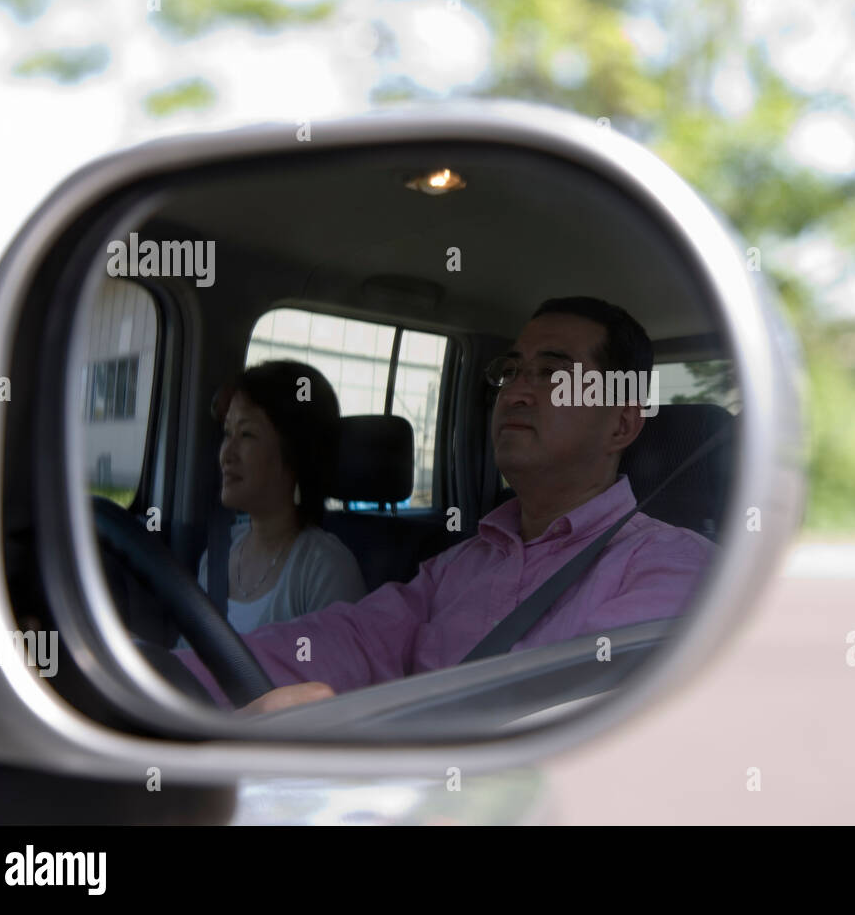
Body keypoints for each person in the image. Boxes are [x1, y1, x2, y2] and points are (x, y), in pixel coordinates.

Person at [176, 298, 715, 711]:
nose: (516, 392)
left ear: (620, 423)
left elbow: (576, 720)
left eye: (552, 373)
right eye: (510, 371)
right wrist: (168, 678)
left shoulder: (674, 568)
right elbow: (350, 641)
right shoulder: (458, 565)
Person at [186, 360, 365, 640]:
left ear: (295, 455)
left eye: (246, 434)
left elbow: (336, 678)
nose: (226, 454)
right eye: (227, 433)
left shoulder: (325, 570)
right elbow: (185, 662)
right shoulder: (217, 555)